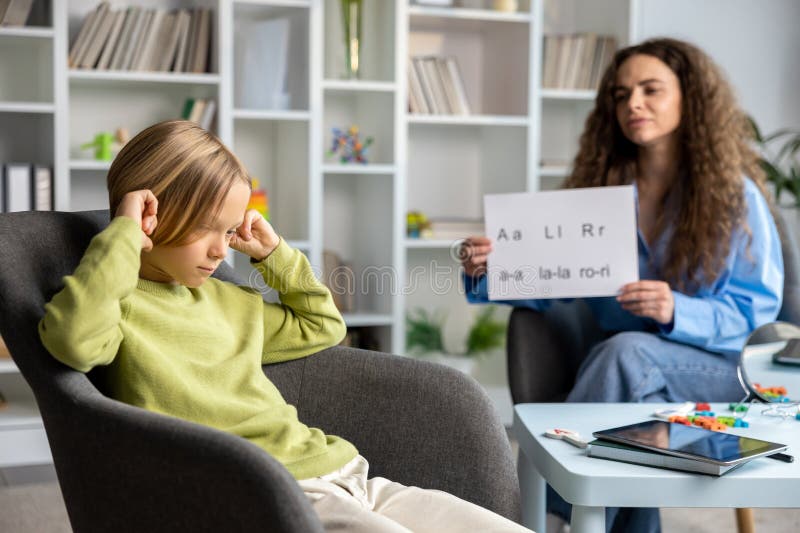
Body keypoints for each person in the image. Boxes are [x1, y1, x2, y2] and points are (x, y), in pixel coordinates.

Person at [39, 120, 531, 533]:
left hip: (348, 474)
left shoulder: (229, 301)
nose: (221, 250)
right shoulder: (114, 305)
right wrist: (121, 235)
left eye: (229, 231)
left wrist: (274, 254)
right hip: (275, 494)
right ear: (148, 216)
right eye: (205, 228)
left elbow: (323, 325)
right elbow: (72, 341)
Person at [460, 38, 784, 533]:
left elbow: (756, 315)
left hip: (721, 370)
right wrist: (491, 270)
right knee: (628, 408)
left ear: (689, 99)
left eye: (651, 89)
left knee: (626, 352)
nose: (632, 103)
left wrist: (676, 308)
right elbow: (554, 283)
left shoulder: (734, 198)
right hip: (627, 374)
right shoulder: (601, 194)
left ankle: (546, 513)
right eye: (621, 93)